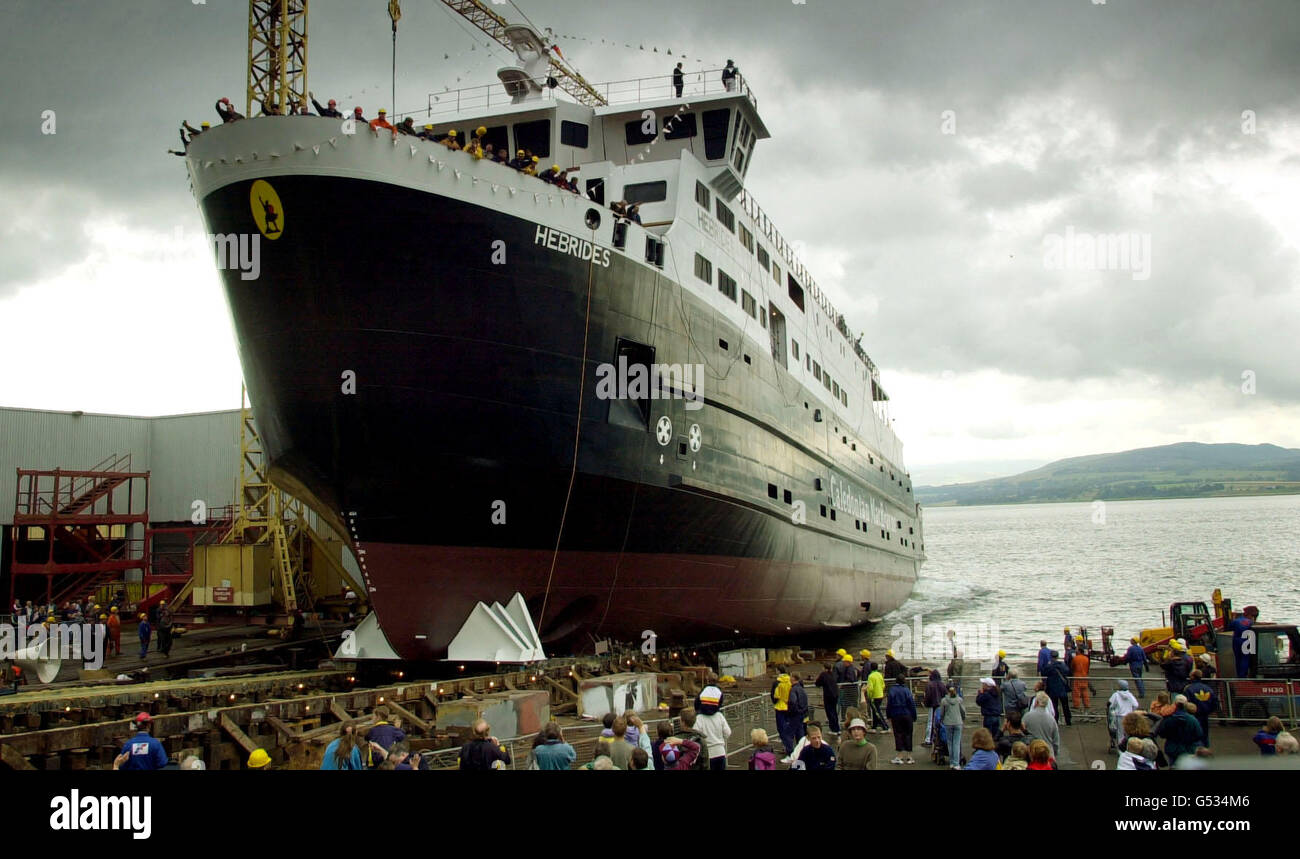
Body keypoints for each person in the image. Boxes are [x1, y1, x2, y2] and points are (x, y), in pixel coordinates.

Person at [1153, 694, 1204, 765]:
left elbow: (1162, 733)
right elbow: (1199, 734)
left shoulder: (1169, 719)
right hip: (1189, 749)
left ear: (1175, 703)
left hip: (1173, 748)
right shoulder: (1192, 719)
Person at [885, 676, 916, 765]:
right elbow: (912, 704)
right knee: (908, 734)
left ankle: (899, 756)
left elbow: (889, 704)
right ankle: (909, 757)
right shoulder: (907, 690)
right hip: (907, 714)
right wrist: (914, 716)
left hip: (896, 714)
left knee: (898, 734)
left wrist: (888, 715)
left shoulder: (892, 690)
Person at [694, 700, 732, 771]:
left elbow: (695, 735)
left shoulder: (699, 718)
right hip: (720, 752)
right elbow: (728, 733)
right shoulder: (719, 715)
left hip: (707, 754)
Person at [1182, 670, 1218, 746]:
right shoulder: (1208, 688)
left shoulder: (1189, 689)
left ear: (1193, 677)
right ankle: (1205, 751)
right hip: (1205, 715)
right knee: (1205, 735)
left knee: (1194, 735)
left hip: (1193, 716)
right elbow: (1215, 703)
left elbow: (1185, 703)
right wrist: (1208, 711)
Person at [1023, 692, 1061, 761]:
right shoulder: (1051, 719)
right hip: (1048, 753)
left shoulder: (1027, 717)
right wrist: (1055, 752)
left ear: (1036, 702)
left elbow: (1022, 732)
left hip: (1032, 753)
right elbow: (1056, 739)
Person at [1108, 679, 1140, 752]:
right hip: (1129, 716)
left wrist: (1114, 710)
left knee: (1120, 734)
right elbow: (1136, 704)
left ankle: (1120, 750)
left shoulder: (1116, 695)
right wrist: (1131, 710)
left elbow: (1110, 705)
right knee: (1128, 733)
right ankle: (1128, 748)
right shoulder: (1130, 695)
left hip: (1120, 716)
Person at [1042, 650, 1072, 725]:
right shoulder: (1062, 665)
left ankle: (1055, 721)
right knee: (1065, 706)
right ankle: (1068, 721)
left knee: (1054, 706)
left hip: (1052, 689)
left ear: (1051, 657)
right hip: (1062, 688)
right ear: (1057, 656)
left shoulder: (1049, 666)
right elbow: (1068, 671)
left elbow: (1044, 672)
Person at [939, 684, 965, 769]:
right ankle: (956, 763)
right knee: (956, 743)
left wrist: (942, 720)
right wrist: (962, 718)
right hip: (958, 722)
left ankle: (951, 762)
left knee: (950, 743)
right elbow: (963, 711)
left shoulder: (944, 701)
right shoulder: (959, 700)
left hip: (948, 723)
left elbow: (942, 713)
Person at [770, 670, 796, 756]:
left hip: (780, 707)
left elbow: (775, 696)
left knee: (781, 728)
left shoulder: (777, 683)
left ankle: (787, 747)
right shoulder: (790, 681)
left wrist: (775, 702)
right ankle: (789, 745)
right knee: (789, 727)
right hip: (788, 706)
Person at [1230, 605, 1260, 678]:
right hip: (1247, 640)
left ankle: (1239, 676)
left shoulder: (1236, 621)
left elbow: (1229, 628)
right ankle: (1244, 675)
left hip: (1237, 641)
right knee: (1245, 659)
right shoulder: (1251, 622)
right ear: (1250, 615)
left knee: (1238, 659)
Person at [922, 668, 947, 746]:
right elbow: (945, 694)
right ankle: (940, 739)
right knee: (940, 722)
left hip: (933, 706)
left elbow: (928, 696)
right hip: (941, 706)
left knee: (930, 722)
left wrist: (926, 704)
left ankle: (928, 739)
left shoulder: (930, 684)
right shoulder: (942, 684)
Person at [814, 663, 840, 734]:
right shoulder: (832, 674)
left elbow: (817, 683)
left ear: (824, 668)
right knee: (834, 711)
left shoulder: (823, 674)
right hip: (835, 694)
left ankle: (833, 729)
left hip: (828, 695)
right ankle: (837, 728)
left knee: (829, 712)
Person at [787, 672, 809, 741]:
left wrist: (792, 711)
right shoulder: (801, 688)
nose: (789, 678)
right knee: (800, 732)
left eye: (790, 677)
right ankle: (801, 747)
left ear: (793, 678)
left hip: (795, 714)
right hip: (802, 713)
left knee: (790, 733)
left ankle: (790, 750)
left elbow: (792, 702)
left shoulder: (793, 689)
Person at [1069, 645, 1091, 710]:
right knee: (1085, 691)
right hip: (1084, 676)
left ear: (1079, 651)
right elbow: (1087, 668)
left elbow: (1072, 667)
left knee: (1076, 692)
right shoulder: (1086, 659)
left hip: (1077, 676)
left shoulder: (1075, 658)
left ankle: (1076, 705)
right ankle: (1087, 704)